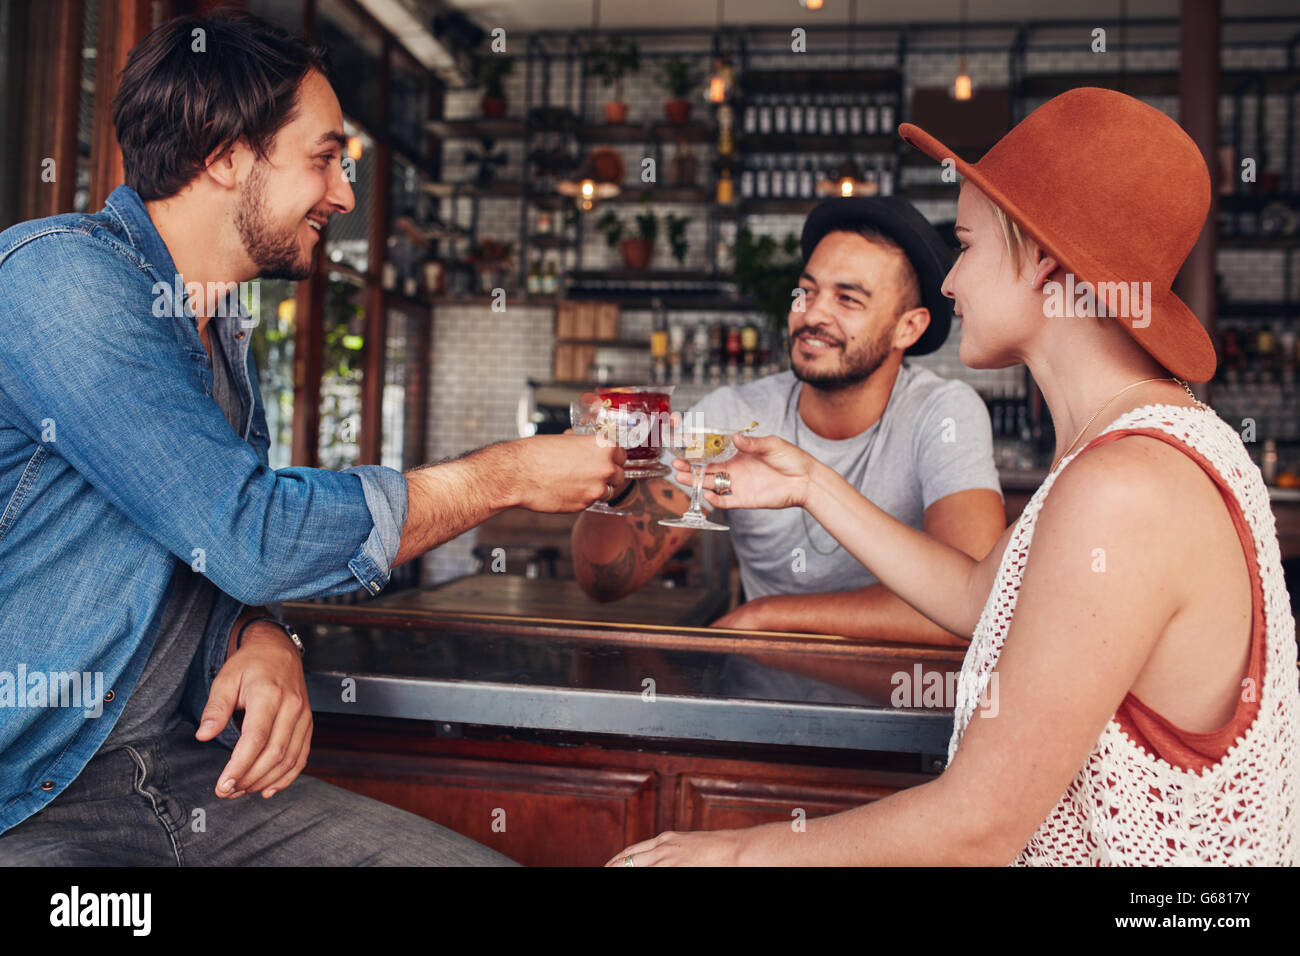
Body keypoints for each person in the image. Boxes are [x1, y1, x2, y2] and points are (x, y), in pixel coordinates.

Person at [608, 87, 1300, 866]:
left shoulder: (1124, 489)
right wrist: (807, 480)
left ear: (1041, 261)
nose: (949, 285)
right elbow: (977, 598)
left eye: (966, 246)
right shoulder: (1126, 449)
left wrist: (735, 853)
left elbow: (978, 827)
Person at [0, 11, 624, 866]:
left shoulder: (219, 334)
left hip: (181, 778)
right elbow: (245, 532)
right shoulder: (60, 279)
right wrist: (504, 475)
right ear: (225, 155)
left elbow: (202, 564)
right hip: (28, 800)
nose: (344, 194)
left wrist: (259, 636)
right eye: (325, 158)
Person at [572, 197, 1006, 646]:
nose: (813, 314)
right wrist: (615, 485)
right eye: (807, 291)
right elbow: (604, 580)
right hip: (767, 695)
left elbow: (974, 607)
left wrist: (770, 615)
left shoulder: (942, 413)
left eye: (848, 298)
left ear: (908, 329)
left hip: (898, 694)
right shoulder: (734, 415)